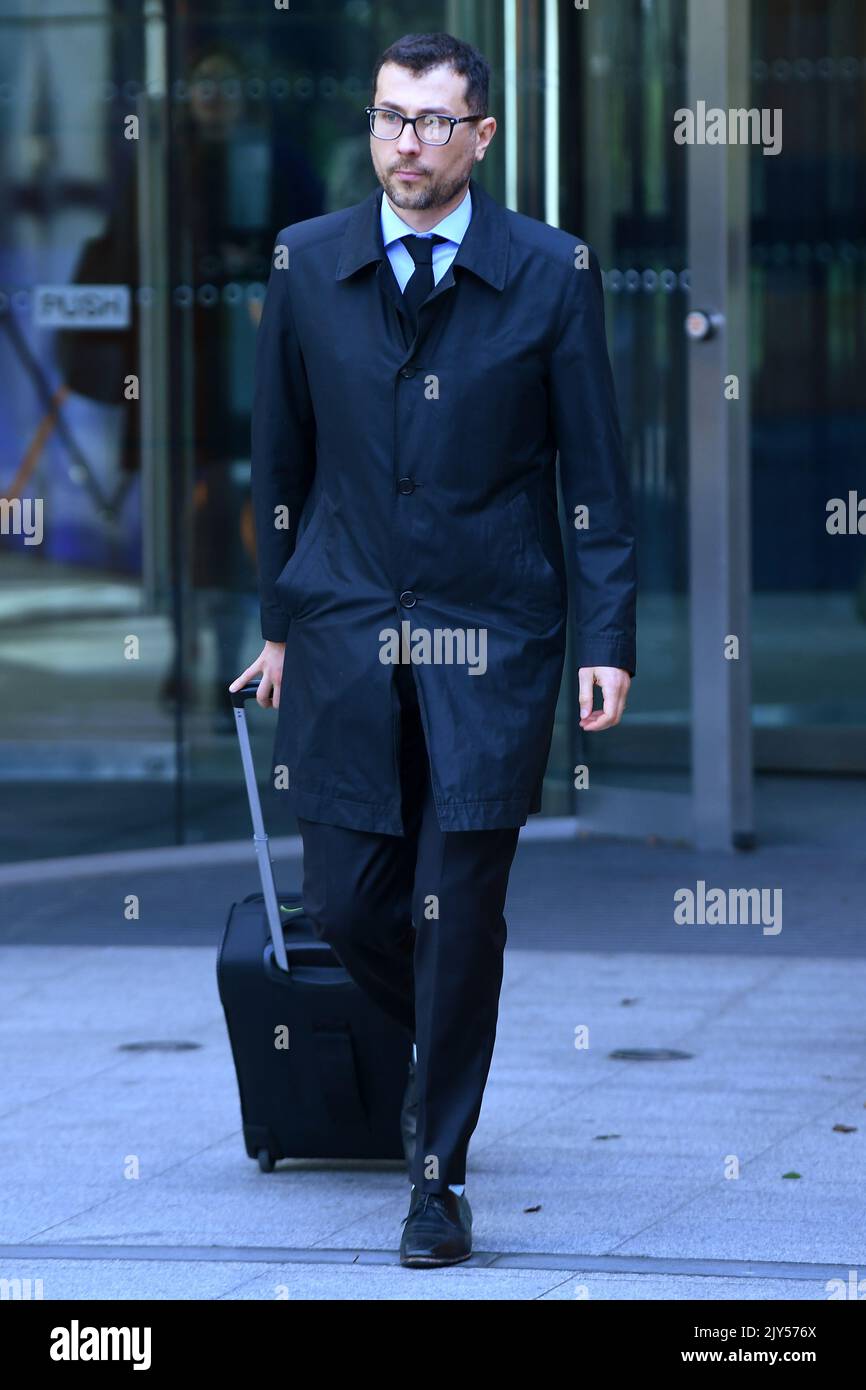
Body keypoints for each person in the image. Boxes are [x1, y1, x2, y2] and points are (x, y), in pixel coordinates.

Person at [230, 31, 637, 1269]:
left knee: (457, 914)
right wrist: (281, 623)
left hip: (491, 633)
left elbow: (596, 477)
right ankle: (438, 1051)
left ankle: (436, 1174)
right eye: (388, 119)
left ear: (481, 137)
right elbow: (281, 466)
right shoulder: (307, 263)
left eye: (432, 121)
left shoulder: (549, 272)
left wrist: (602, 636)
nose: (406, 143)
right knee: (354, 902)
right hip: (348, 627)